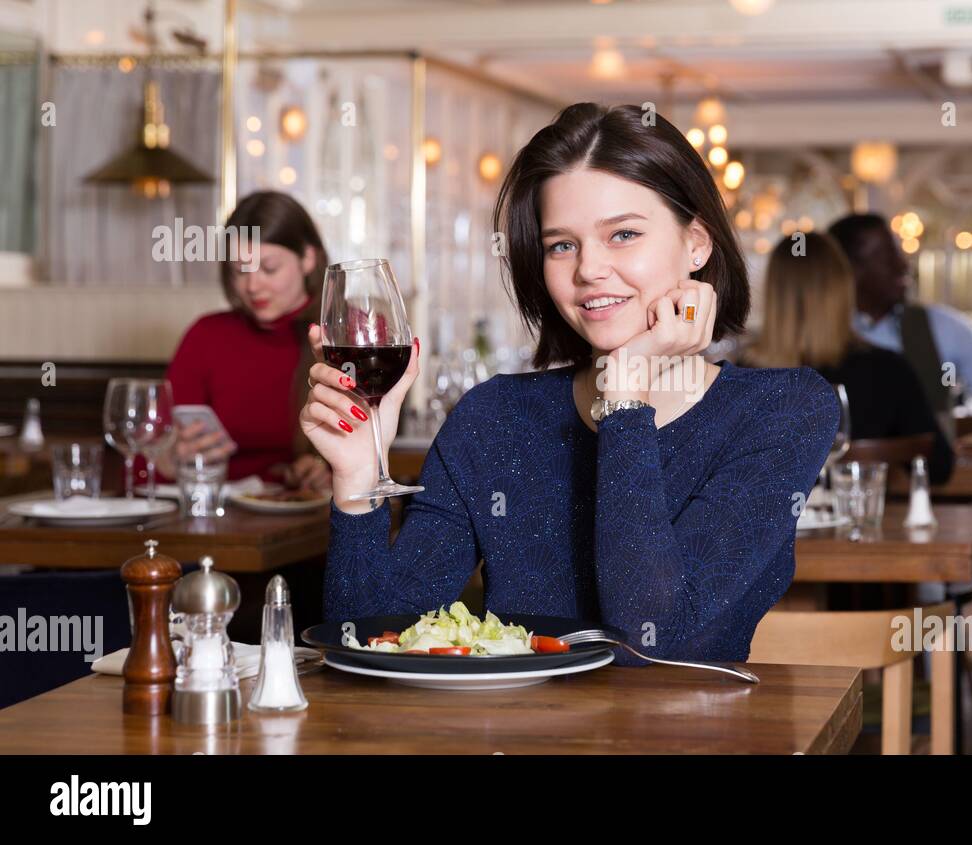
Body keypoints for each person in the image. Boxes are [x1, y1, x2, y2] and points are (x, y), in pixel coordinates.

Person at [305, 103, 840, 663]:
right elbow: (367, 648)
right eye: (562, 244)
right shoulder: (495, 416)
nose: (588, 270)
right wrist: (358, 481)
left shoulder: (784, 409)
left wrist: (626, 400)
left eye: (624, 234)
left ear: (697, 244)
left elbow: (657, 643)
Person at [157, 191, 333, 494]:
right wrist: (170, 460)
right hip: (219, 516)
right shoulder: (207, 336)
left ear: (308, 258)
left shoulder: (343, 335)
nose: (252, 286)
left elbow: (373, 458)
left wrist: (330, 475)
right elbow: (137, 469)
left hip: (313, 526)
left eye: (269, 268)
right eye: (240, 270)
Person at [743, 231, 954, 484]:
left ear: (773, 293)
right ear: (844, 289)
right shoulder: (887, 370)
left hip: (770, 524)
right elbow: (939, 468)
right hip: (865, 520)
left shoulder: (741, 375)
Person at [828, 213, 972, 439]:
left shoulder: (940, 327)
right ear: (848, 269)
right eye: (885, 256)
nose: (903, 264)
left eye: (898, 251)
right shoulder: (819, 336)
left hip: (929, 473)